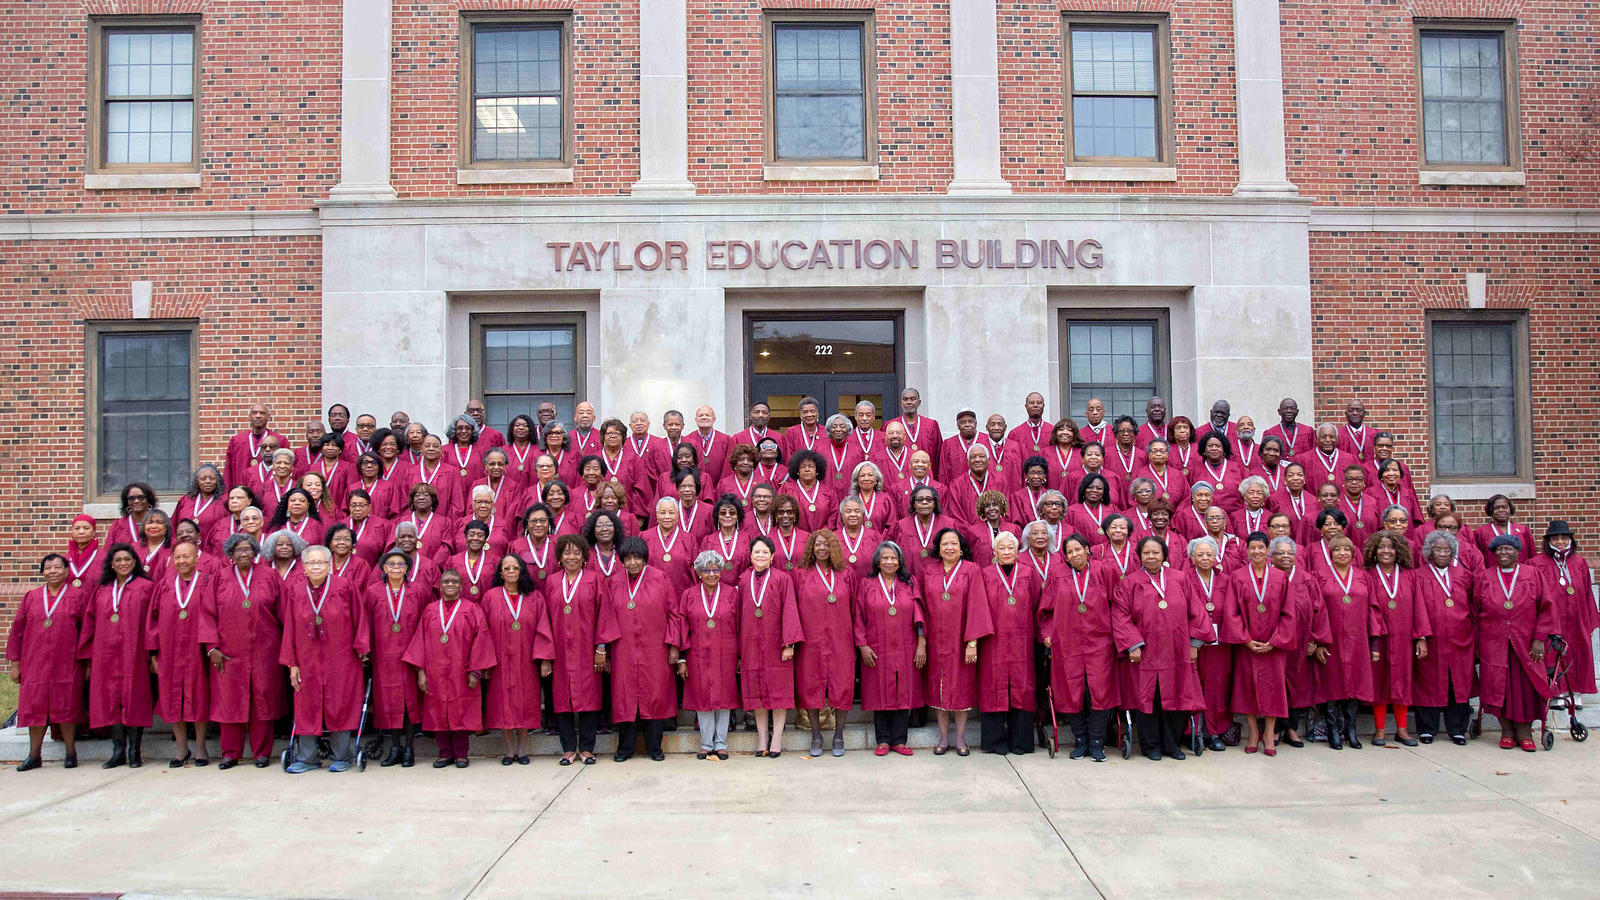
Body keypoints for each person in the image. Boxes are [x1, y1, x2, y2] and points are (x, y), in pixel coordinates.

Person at [1112, 536, 1208, 760]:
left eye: (1156, 552)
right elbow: (1120, 616)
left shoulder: (1180, 578)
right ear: (1140, 556)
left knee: (1176, 697)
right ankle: (1150, 746)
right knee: (1148, 700)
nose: (1151, 556)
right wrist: (1133, 645)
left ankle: (1171, 745)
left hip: (1177, 651)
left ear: (1164, 554)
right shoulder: (1130, 582)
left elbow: (1197, 611)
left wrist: (1195, 644)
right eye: (1146, 553)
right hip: (1146, 653)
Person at [279, 545, 370, 773]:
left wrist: (362, 650)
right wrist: (292, 664)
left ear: (329, 565)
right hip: (307, 658)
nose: (316, 566)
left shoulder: (344, 587)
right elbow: (289, 627)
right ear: (304, 568)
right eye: (311, 563)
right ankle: (307, 757)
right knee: (306, 705)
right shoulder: (296, 590)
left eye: (321, 562)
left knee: (340, 703)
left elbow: (360, 618)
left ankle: (342, 755)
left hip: (341, 658)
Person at [201, 534, 287, 769]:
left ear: (255, 552)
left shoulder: (269, 576)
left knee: (262, 701)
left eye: (248, 549)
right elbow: (208, 613)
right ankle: (230, 754)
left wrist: (286, 649)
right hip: (228, 652)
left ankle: (261, 753)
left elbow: (284, 613)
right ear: (231, 554)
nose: (243, 554)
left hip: (265, 651)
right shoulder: (220, 577)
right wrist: (212, 648)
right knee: (230, 702)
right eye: (238, 550)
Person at [598, 536, 683, 762]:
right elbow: (606, 617)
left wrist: (674, 645)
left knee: (654, 696)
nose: (633, 562)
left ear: (645, 559)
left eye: (637, 557)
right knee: (624, 697)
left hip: (654, 649)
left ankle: (655, 748)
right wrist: (604, 650)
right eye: (628, 558)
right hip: (623, 649)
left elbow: (674, 614)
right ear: (622, 560)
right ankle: (624, 749)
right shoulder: (614, 581)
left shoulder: (659, 578)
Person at [403, 569, 497, 768]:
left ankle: (461, 754)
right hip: (434, 670)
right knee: (437, 711)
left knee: (461, 710)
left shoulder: (472, 609)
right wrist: (420, 672)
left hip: (461, 670)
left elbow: (481, 640)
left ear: (461, 586)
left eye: (455, 581)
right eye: (446, 581)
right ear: (440, 585)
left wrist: (475, 671)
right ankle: (444, 753)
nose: (451, 584)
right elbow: (419, 640)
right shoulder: (429, 610)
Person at [1475, 535, 1559, 751]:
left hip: (1526, 642)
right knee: (1497, 686)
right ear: (1494, 553)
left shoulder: (1532, 574)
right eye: (1500, 549)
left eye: (1508, 549)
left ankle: (1524, 731)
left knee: (1526, 688)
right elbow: (1475, 611)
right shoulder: (1485, 576)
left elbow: (1547, 607)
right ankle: (1507, 731)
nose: (1504, 553)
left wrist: (1540, 639)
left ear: (1517, 552)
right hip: (1494, 643)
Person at [1042, 534, 1120, 760]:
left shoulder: (1105, 571)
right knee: (1070, 690)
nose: (1074, 554)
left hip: (1100, 642)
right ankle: (1080, 739)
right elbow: (1046, 611)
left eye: (1078, 549)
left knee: (1100, 691)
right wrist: (1047, 635)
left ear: (1087, 549)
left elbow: (1118, 605)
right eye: (1069, 551)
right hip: (1067, 643)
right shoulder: (1057, 574)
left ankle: (1097, 741)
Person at [6, 554, 86, 771]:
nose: (53, 571)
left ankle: (71, 753)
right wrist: (15, 663)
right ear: (42, 572)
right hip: (35, 662)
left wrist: (87, 663)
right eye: (48, 568)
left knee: (67, 706)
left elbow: (87, 632)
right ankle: (34, 755)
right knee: (34, 707)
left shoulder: (77, 596)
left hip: (67, 661)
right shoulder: (31, 597)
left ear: (67, 571)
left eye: (57, 567)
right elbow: (18, 630)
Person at [919, 528, 994, 756]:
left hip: (960, 639)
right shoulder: (928, 571)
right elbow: (920, 606)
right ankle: (943, 738)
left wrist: (972, 642)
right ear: (938, 549)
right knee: (939, 689)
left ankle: (960, 739)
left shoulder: (972, 570)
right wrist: (922, 640)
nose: (949, 547)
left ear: (961, 549)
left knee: (961, 689)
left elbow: (977, 605)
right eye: (945, 544)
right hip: (936, 640)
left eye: (954, 544)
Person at [81, 544, 155, 768]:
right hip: (106, 655)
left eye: (127, 559)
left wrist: (152, 654)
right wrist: (88, 657)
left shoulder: (146, 587)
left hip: (135, 653)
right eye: (118, 560)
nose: (123, 563)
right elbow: (89, 623)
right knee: (110, 699)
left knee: (134, 699)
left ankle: (134, 750)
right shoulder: (102, 589)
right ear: (111, 564)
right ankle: (117, 750)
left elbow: (153, 623)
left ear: (135, 562)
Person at [1224, 533, 1298, 756]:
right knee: (1246, 687)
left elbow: (1289, 613)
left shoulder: (1280, 577)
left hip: (1273, 646)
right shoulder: (1237, 576)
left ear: (1268, 551)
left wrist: (1275, 641)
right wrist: (1245, 640)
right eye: (1252, 548)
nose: (1256, 551)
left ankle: (1269, 732)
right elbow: (1231, 612)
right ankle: (1253, 732)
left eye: (1261, 547)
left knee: (1273, 689)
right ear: (1246, 551)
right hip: (1247, 644)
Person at [482, 553, 555, 765]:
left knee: (526, 702)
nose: (511, 571)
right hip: (500, 661)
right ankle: (509, 750)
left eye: (515, 568)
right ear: (500, 573)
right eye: (506, 568)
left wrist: (545, 660)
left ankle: (522, 749)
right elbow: (483, 632)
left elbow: (543, 628)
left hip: (526, 660)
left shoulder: (534, 597)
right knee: (503, 703)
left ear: (522, 571)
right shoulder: (491, 597)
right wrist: (485, 662)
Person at [855, 541, 926, 757]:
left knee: (903, 690)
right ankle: (883, 740)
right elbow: (858, 615)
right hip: (877, 646)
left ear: (900, 561)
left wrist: (921, 644)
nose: (889, 561)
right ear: (877, 561)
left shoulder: (909, 582)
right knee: (879, 691)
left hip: (906, 645)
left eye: (893, 558)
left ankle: (900, 740)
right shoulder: (867, 584)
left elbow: (920, 615)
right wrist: (863, 645)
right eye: (885, 557)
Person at [148, 541, 214, 767]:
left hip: (198, 651)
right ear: (172, 560)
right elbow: (153, 621)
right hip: (170, 651)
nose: (182, 561)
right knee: (172, 698)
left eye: (186, 556)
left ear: (197, 558)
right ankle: (181, 748)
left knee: (199, 696)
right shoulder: (164, 584)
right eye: (178, 557)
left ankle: (201, 747)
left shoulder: (207, 581)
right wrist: (153, 654)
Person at [542, 534, 605, 764]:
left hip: (586, 650)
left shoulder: (594, 579)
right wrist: (546, 655)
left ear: (584, 556)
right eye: (567, 552)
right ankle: (568, 749)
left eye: (576, 552)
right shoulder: (551, 582)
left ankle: (587, 748)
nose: (571, 557)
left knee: (589, 698)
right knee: (561, 699)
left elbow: (604, 615)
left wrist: (601, 648)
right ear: (559, 556)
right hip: (559, 650)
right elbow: (544, 619)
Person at [738, 535, 804, 758]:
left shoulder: (782, 578)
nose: (760, 556)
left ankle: (776, 739)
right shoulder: (743, 580)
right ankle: (762, 738)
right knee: (756, 692)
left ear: (773, 556)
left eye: (765, 552)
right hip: (750, 645)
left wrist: (789, 644)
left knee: (778, 692)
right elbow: (737, 616)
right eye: (756, 552)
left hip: (776, 644)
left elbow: (790, 610)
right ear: (750, 555)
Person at [976, 532, 1041, 755]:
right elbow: (980, 607)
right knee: (993, 688)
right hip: (994, 641)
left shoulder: (1028, 573)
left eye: (1010, 548)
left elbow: (1037, 605)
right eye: (1001, 548)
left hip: (1023, 640)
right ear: (994, 551)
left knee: (1022, 688)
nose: (1006, 552)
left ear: (1017, 551)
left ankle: (1020, 742)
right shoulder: (985, 574)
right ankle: (995, 742)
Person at [1365, 531, 1429, 747]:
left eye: (1390, 547)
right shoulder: (1368, 575)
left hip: (1403, 638)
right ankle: (1380, 730)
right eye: (1381, 547)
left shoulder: (1410, 576)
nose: (1386, 551)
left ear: (1398, 550)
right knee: (1379, 680)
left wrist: (1421, 637)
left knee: (1403, 680)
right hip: (1378, 637)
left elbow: (1419, 606)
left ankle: (1402, 731)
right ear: (1374, 550)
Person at [1412, 530, 1477, 745]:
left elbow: (1474, 607)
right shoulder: (1419, 575)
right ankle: (1427, 729)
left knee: (1457, 683)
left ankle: (1457, 729)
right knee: (1428, 683)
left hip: (1460, 640)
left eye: (1446, 550)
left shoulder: (1463, 575)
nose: (1442, 553)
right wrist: (1421, 636)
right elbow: (1416, 608)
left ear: (1453, 553)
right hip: (1432, 639)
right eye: (1438, 549)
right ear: (1429, 552)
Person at [795, 529, 855, 757]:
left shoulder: (846, 573)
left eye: (827, 544)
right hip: (811, 640)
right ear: (811, 547)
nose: (822, 548)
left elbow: (854, 606)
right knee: (811, 685)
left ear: (834, 548)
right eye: (818, 544)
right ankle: (816, 736)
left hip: (841, 639)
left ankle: (839, 735)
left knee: (843, 685)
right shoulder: (801, 574)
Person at [365, 549, 425, 767]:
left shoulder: (418, 590)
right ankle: (394, 747)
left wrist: (420, 654)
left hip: (411, 654)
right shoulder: (373, 592)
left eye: (401, 564)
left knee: (410, 703)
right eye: (391, 564)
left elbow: (424, 622)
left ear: (407, 568)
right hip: (384, 656)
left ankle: (409, 748)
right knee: (389, 703)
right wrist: (367, 651)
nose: (396, 568)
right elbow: (367, 622)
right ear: (384, 568)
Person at [679, 552, 739, 760]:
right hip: (697, 654)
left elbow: (740, 625)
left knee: (724, 697)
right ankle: (706, 743)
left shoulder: (732, 594)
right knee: (702, 697)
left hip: (726, 654)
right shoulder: (688, 595)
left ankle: (721, 743)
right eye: (707, 570)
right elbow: (682, 627)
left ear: (721, 571)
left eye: (715, 569)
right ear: (699, 572)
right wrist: (681, 658)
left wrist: (740, 656)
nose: (711, 574)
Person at [1532, 521, 1597, 700]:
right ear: (1548, 541)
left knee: (1578, 651)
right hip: (1552, 618)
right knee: (1552, 654)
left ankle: (1575, 692)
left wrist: (1589, 622)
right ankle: (1556, 692)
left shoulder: (1579, 562)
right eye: (1555, 538)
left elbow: (1587, 593)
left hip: (1577, 618)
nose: (1560, 541)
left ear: (1570, 540)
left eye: (1564, 537)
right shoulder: (1537, 563)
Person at [1186, 536, 1234, 752]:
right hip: (1193, 643)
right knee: (1193, 686)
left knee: (1216, 687)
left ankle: (1213, 732)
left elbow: (1233, 611)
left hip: (1219, 644)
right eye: (1200, 554)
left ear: (1216, 557)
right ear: (1191, 557)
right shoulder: (1184, 578)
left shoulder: (1226, 580)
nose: (1205, 558)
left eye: (1209, 554)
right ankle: (1194, 731)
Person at [225, 403, 286, 488]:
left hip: (272, 491)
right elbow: (228, 471)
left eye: (262, 413)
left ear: (268, 417)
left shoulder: (280, 440)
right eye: (254, 413)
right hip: (241, 491)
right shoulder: (236, 441)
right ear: (249, 416)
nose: (258, 416)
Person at [887, 387, 942, 472]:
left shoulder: (931, 425)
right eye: (905, 399)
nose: (909, 402)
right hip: (900, 476)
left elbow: (939, 455)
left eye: (912, 399)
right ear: (901, 403)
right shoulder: (890, 426)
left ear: (919, 402)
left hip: (926, 475)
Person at [1473, 494, 1536, 564]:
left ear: (1510, 509)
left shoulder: (1523, 530)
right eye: (1497, 508)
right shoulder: (1480, 533)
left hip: (1521, 573)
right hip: (1493, 573)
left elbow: (1532, 556)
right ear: (1491, 511)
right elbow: (1477, 559)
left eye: (1504, 507)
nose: (1501, 510)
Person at [175, 464, 229, 540]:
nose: (208, 481)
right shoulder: (186, 500)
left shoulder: (225, 500)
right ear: (197, 481)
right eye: (203, 479)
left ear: (217, 481)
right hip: (187, 546)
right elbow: (174, 525)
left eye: (212, 478)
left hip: (212, 547)